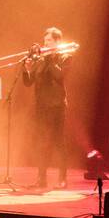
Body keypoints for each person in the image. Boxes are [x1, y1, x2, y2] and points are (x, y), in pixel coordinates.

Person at [23, 27, 72, 189]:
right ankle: (41, 178)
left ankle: (62, 179)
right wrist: (27, 69)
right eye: (45, 41)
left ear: (58, 41)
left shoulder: (65, 57)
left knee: (59, 143)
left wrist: (49, 58)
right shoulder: (40, 60)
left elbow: (59, 76)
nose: (45, 44)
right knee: (41, 143)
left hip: (57, 106)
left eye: (49, 41)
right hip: (42, 106)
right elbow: (28, 83)